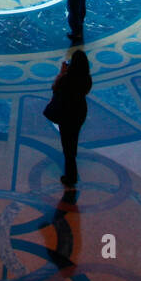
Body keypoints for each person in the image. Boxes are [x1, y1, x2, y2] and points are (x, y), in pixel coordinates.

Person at [50, 50, 93, 186]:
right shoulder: (87, 78)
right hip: (80, 112)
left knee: (67, 145)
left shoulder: (67, 79)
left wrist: (62, 73)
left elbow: (55, 88)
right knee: (73, 139)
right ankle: (72, 159)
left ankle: (71, 177)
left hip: (67, 114)